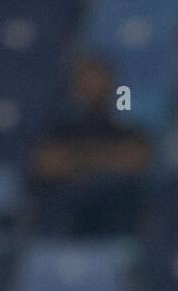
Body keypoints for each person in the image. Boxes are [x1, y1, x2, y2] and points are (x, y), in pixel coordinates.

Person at [26, 54, 152, 236]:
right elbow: (48, 166)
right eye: (87, 84)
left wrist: (76, 160)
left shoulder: (129, 132)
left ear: (112, 87)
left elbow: (134, 163)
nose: (93, 90)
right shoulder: (58, 131)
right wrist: (108, 158)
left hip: (114, 216)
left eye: (99, 84)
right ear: (75, 88)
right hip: (64, 215)